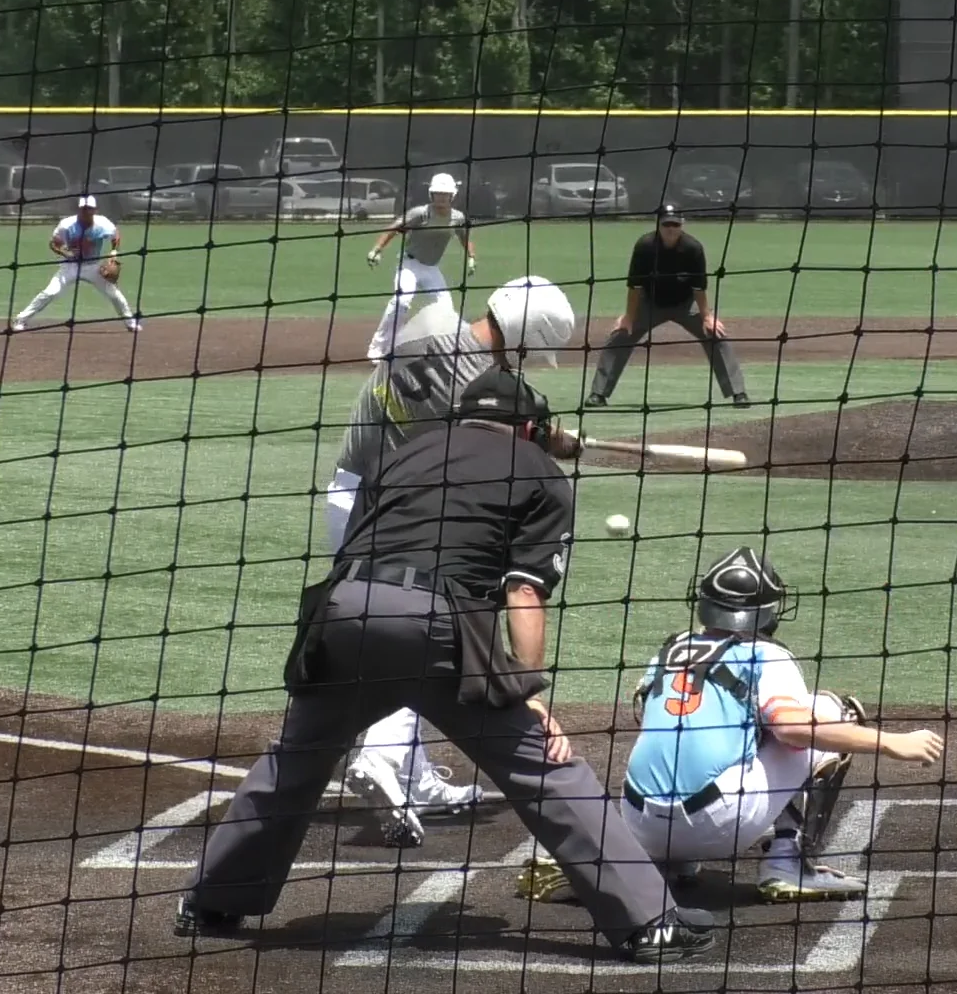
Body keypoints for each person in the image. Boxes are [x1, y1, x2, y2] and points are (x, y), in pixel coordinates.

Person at [175, 368, 718, 964]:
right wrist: (529, 693)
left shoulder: (408, 452)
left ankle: (211, 901)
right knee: (546, 771)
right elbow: (524, 591)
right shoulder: (540, 472)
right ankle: (649, 924)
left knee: (295, 760)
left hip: (342, 611)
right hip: (434, 626)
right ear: (530, 427)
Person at [516, 547, 945, 905]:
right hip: (718, 824)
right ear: (769, 611)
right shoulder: (767, 655)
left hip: (640, 819)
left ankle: (633, 858)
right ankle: (787, 863)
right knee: (831, 711)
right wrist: (892, 743)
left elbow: (650, 717)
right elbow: (793, 730)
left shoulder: (671, 648)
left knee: (698, 739)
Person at [326, 274, 579, 847]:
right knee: (434, 626)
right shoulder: (472, 376)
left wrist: (543, 434)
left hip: (366, 493)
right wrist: (550, 441)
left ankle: (407, 770)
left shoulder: (436, 323)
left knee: (386, 630)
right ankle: (386, 756)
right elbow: (486, 437)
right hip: (390, 511)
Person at [584, 204, 749, 410]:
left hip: (685, 303)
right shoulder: (645, 246)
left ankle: (738, 393)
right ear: (659, 225)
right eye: (666, 224)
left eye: (675, 224)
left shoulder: (693, 248)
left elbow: (699, 288)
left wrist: (707, 316)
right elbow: (635, 286)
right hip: (650, 303)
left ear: (682, 225)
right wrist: (628, 317)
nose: (671, 228)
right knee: (620, 335)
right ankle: (598, 394)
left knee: (715, 334)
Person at [365, 172, 477, 362]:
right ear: (431, 195)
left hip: (431, 268)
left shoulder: (457, 217)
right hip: (409, 264)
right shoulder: (420, 213)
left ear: (452, 196)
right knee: (401, 301)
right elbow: (395, 227)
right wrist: (377, 249)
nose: (441, 197)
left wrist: (471, 257)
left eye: (445, 193)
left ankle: (444, 349)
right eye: (438, 193)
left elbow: (464, 236)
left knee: (445, 309)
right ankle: (378, 349)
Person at [12, 195, 140, 332]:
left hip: (93, 266)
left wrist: (114, 254)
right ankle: (21, 319)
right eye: (84, 209)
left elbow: (115, 236)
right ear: (79, 209)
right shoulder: (66, 225)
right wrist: (65, 253)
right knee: (50, 292)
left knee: (114, 294)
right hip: (70, 266)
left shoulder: (103, 223)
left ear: (95, 210)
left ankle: (130, 323)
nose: (86, 211)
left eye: (89, 209)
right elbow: (54, 244)